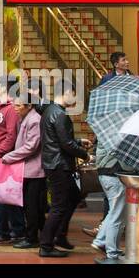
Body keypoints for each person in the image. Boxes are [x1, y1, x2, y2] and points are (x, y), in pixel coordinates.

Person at [38, 87, 89, 258]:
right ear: (67, 91)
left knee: (74, 196)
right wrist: (85, 154)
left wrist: (79, 141)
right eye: (74, 94)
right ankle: (46, 245)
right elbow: (66, 144)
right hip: (59, 165)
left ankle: (60, 235)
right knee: (59, 206)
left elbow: (60, 139)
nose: (75, 100)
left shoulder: (50, 110)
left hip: (53, 163)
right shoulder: (59, 114)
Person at [2, 94, 45, 249]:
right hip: (27, 169)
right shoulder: (25, 118)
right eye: (15, 105)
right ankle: (42, 234)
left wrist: (9, 157)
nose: (15, 109)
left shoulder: (34, 120)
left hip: (34, 171)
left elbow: (31, 146)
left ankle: (32, 238)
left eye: (19, 106)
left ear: (29, 106)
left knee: (32, 206)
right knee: (31, 205)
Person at [0, 77, 24, 244]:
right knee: (6, 196)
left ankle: (3, 231)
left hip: (3, 158)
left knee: (0, 197)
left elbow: (11, 135)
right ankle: (15, 230)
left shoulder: (10, 109)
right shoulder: (1, 108)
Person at [90, 134, 128, 264]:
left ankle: (106, 244)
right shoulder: (115, 131)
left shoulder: (106, 128)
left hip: (107, 173)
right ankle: (108, 248)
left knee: (115, 212)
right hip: (112, 174)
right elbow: (119, 150)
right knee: (117, 214)